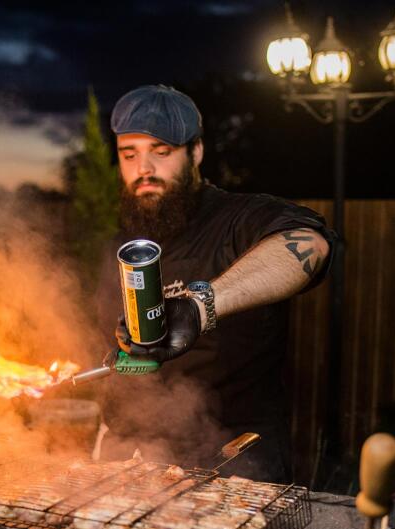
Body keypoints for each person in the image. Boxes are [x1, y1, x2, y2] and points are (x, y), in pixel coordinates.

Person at [99, 84, 337, 483]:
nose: (144, 169)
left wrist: (199, 306)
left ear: (196, 152)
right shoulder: (122, 248)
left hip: (233, 464)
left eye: (161, 151)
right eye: (129, 154)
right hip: (135, 462)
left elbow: (311, 246)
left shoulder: (239, 219)